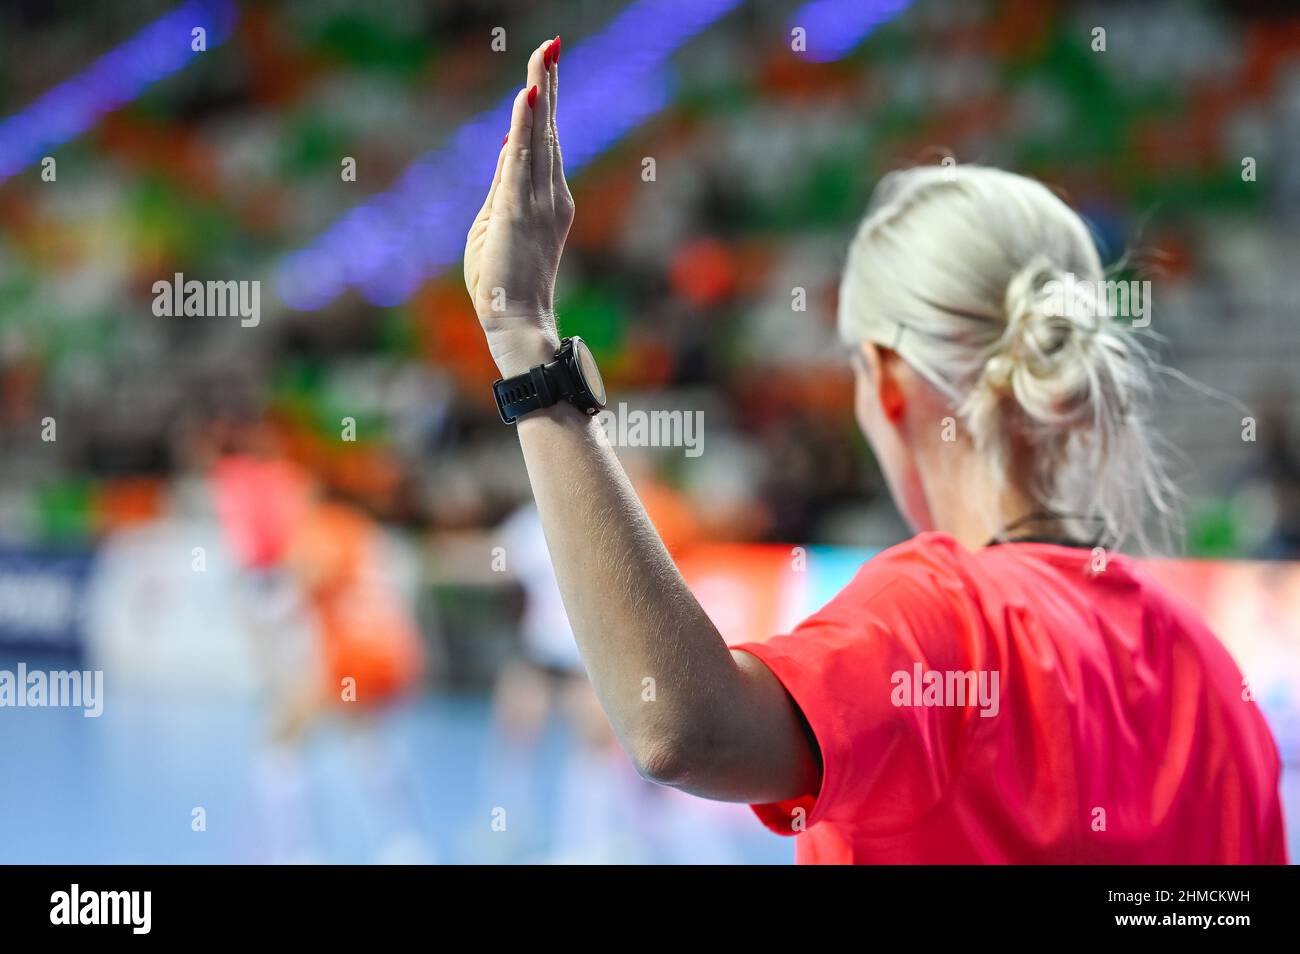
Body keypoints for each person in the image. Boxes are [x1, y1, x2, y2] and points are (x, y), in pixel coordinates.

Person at [460, 37, 1288, 863]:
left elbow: (680, 729)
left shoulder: (939, 617)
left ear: (888, 380)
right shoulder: (1214, 675)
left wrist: (524, 337)